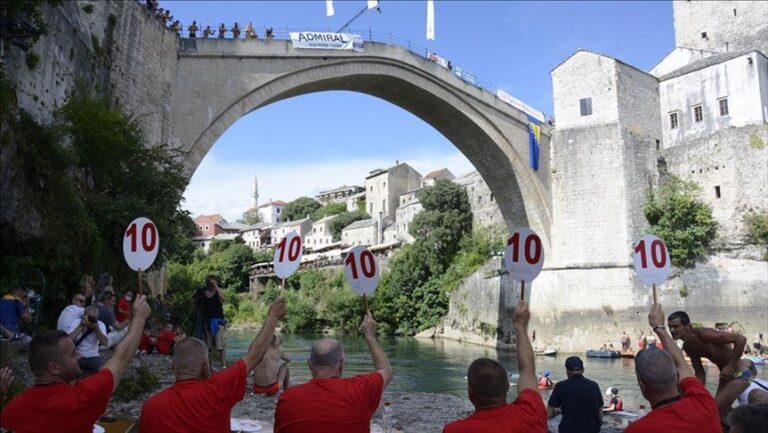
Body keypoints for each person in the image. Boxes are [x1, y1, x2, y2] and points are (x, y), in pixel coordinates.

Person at [0, 295, 151, 432]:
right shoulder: (80, 398)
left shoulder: (12, 409)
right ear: (54, 367)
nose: (78, 355)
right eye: (72, 354)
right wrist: (139, 319)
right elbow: (121, 357)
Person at [139, 297, 286, 433]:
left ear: (173, 369)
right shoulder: (219, 388)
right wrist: (273, 317)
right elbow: (256, 354)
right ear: (205, 367)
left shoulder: (151, 407)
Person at [274, 310, 394, 433]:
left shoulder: (287, 398)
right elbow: (386, 371)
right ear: (341, 365)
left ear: (309, 365)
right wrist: (370, 335)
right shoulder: (360, 390)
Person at [443, 300, 546, 433]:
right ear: (508, 387)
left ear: (470, 393)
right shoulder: (530, 413)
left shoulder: (456, 430)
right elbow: (527, 370)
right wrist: (520, 327)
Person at [626, 303, 721, 433]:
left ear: (642, 386)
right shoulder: (704, 403)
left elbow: (681, 365)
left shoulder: (638, 429)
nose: (673, 330)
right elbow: (681, 365)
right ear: (676, 377)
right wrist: (659, 328)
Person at [668, 310, 749, 421]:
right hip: (725, 378)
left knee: (712, 410)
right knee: (719, 415)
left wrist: (730, 366)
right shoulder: (688, 347)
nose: (672, 330)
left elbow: (741, 339)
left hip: (741, 373)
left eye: (676, 326)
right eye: (670, 327)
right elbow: (700, 373)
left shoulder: (703, 334)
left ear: (688, 326)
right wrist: (694, 393)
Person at [546, 356, 603, 433]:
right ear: (583, 370)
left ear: (567, 370)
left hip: (568, 430)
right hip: (593, 430)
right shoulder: (594, 385)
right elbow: (600, 414)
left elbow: (548, 414)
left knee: (548, 421)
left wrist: (557, 412)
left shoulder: (560, 386)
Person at [66, 305, 108, 376]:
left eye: (94, 318)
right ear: (84, 316)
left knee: (103, 370)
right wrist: (80, 326)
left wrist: (96, 329)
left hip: (92, 356)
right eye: (89, 317)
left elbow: (105, 343)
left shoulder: (100, 325)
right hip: (76, 355)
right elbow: (68, 341)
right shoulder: (77, 322)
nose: (91, 320)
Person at [199, 276, 228, 368]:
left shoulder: (218, 293)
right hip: (207, 322)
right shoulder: (203, 293)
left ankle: (224, 366)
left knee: (221, 346)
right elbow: (196, 301)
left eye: (214, 281)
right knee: (207, 345)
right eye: (211, 281)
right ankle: (208, 365)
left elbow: (224, 298)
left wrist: (216, 286)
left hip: (219, 322)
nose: (212, 283)